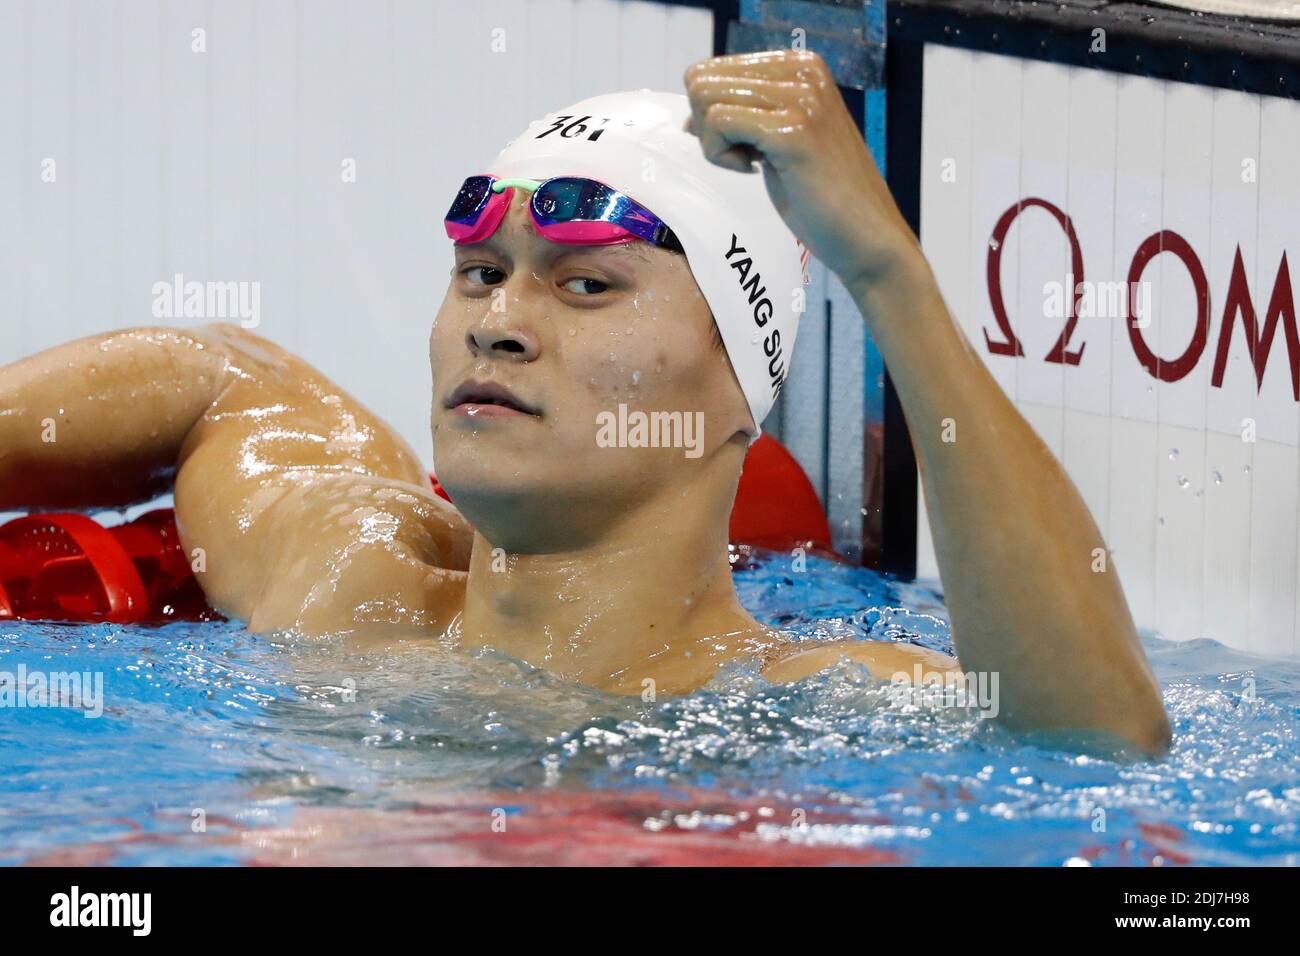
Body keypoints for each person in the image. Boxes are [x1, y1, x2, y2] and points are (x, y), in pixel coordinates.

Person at [0, 51, 1169, 754]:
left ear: (733, 392)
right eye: (478, 270)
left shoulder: (798, 712)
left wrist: (886, 275)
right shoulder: (352, 588)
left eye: (586, 283)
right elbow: (226, 377)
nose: (499, 320)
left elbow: (1091, 735)